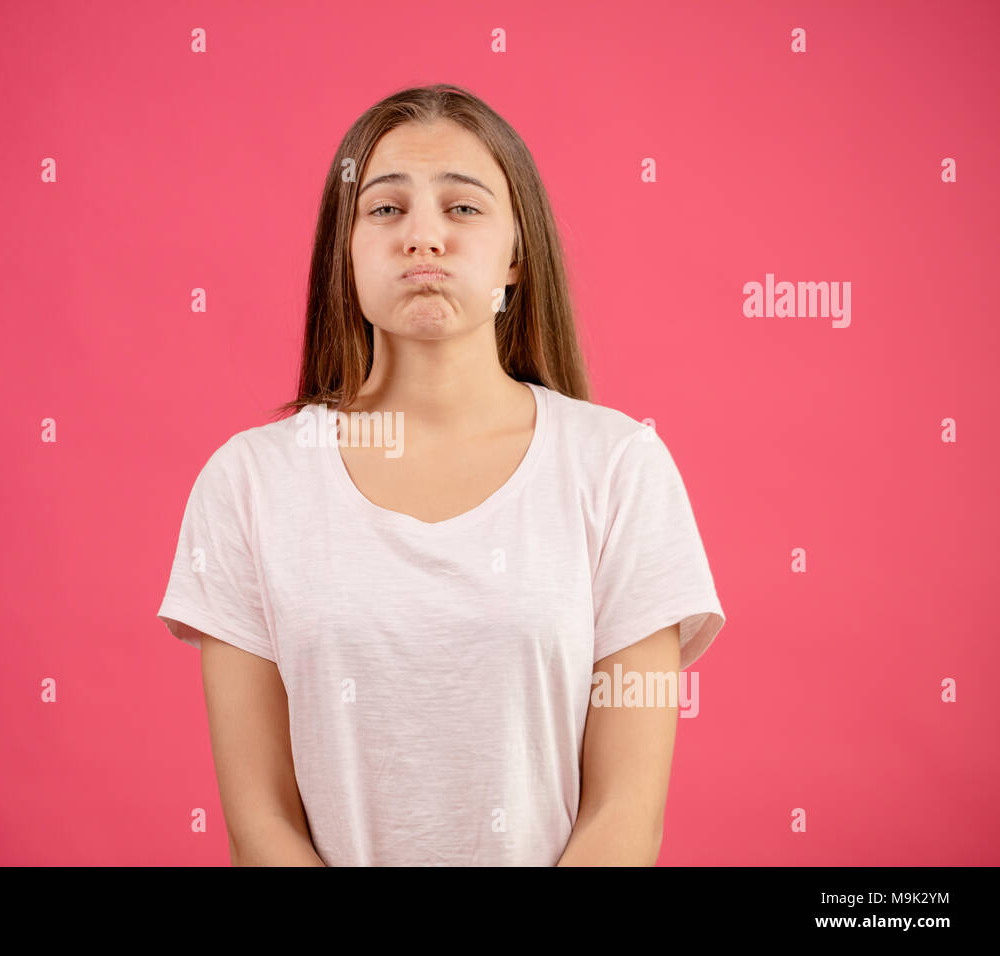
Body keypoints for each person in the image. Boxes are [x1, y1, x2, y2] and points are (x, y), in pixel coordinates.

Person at [156, 83, 726, 866]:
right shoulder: (249, 485)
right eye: (385, 210)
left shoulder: (619, 469)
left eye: (463, 208)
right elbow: (262, 827)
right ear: (344, 253)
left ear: (518, 255)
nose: (423, 238)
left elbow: (625, 820)